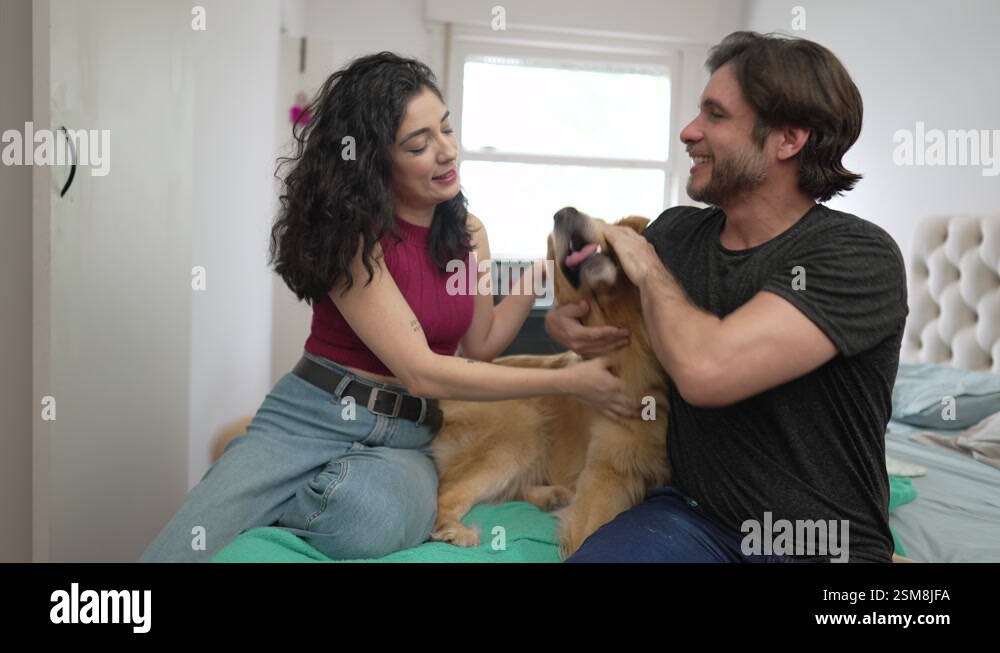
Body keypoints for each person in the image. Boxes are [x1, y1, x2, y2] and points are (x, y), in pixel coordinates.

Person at [138, 52, 630, 563]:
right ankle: (269, 485)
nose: (446, 152)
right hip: (311, 416)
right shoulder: (352, 234)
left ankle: (296, 500)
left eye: (446, 129)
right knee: (176, 552)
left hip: (407, 437)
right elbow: (421, 371)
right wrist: (566, 380)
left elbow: (481, 344)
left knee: (368, 520)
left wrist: (542, 270)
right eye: (419, 144)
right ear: (376, 160)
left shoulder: (470, 234)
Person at [549, 31, 908, 563]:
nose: (689, 132)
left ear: (787, 139)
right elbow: (582, 266)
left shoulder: (859, 255)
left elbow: (706, 371)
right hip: (692, 519)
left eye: (715, 116)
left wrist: (647, 267)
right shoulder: (675, 233)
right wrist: (564, 321)